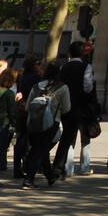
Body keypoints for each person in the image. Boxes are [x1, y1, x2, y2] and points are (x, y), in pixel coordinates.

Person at [22, 58, 70, 188]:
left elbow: (27, 107)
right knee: (39, 150)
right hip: (51, 123)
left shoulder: (36, 86)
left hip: (33, 122)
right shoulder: (62, 88)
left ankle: (49, 176)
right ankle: (29, 179)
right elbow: (66, 108)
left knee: (39, 149)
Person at [55, 42, 95, 179]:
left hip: (65, 106)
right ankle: (80, 166)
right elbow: (88, 87)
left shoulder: (63, 67)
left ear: (69, 54)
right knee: (82, 136)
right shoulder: (86, 67)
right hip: (81, 106)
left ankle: (67, 167)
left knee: (68, 136)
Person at [13, 56, 42, 178]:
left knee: (21, 139)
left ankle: (17, 167)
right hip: (33, 110)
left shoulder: (21, 77)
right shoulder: (37, 78)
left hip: (22, 109)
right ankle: (28, 166)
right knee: (33, 140)